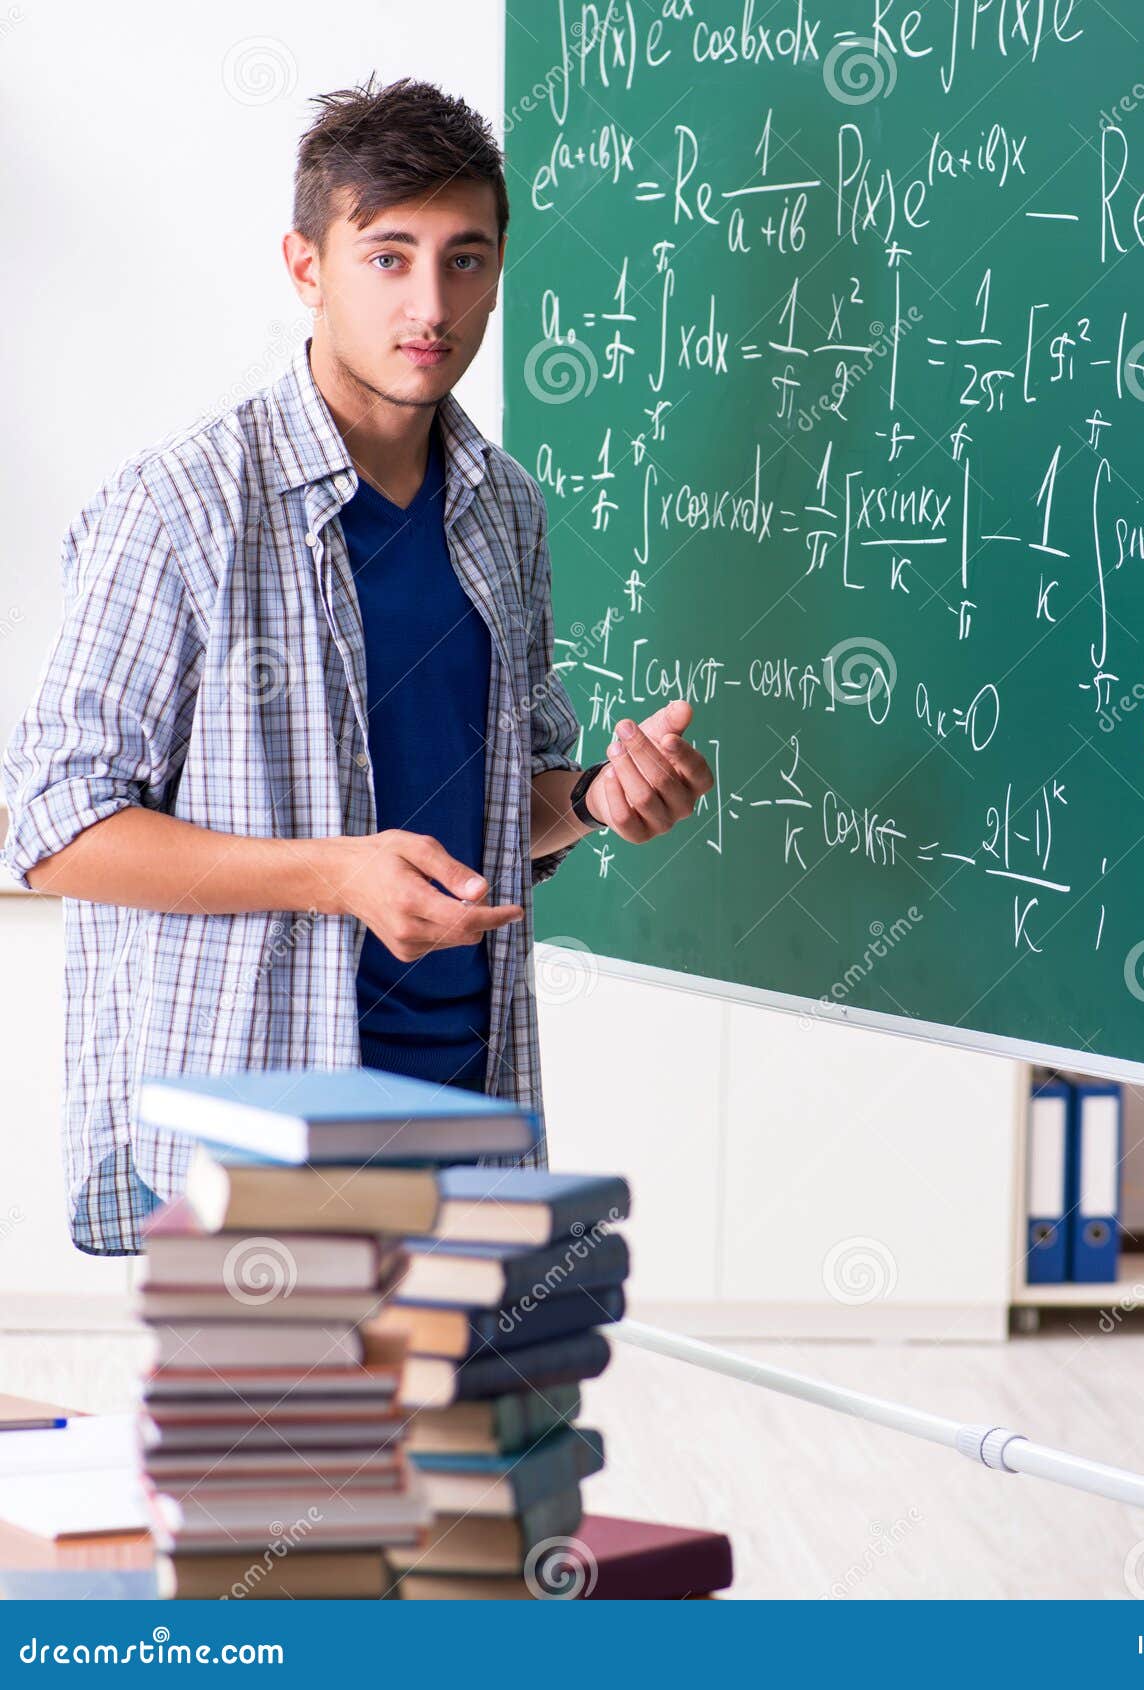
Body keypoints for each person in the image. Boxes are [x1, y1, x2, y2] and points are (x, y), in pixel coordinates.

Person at [0, 74, 712, 1254]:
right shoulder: (179, 506)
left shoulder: (504, 512)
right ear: (306, 266)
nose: (430, 302)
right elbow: (53, 829)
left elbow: (493, 812)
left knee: (465, 1441)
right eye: (387, 256)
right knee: (298, 1446)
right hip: (253, 1137)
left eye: (465, 258)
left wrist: (590, 798)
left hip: (466, 1118)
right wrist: (335, 876)